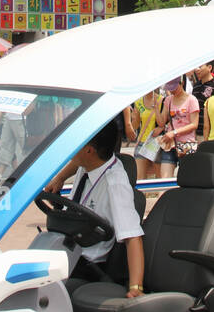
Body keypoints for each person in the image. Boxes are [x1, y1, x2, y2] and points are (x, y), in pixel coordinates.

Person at [46, 122, 144, 297]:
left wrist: (136, 287)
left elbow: (133, 236)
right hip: (67, 250)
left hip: (86, 265)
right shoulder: (88, 164)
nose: (70, 149)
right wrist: (59, 178)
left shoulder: (116, 185)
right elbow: (76, 162)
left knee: (42, 290)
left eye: (76, 143)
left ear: (89, 150)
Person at [155, 76, 199, 179]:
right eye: (170, 88)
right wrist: (156, 108)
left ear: (182, 83)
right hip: (170, 145)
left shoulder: (191, 100)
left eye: (174, 87)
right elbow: (161, 122)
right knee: (164, 179)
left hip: (186, 144)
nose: (172, 91)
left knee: (188, 178)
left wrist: (174, 132)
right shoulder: (168, 100)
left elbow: (194, 124)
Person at [130, 89, 162, 181]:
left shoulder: (162, 100)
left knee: (159, 178)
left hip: (157, 144)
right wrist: (134, 117)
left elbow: (165, 122)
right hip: (142, 143)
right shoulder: (138, 102)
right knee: (140, 179)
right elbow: (135, 126)